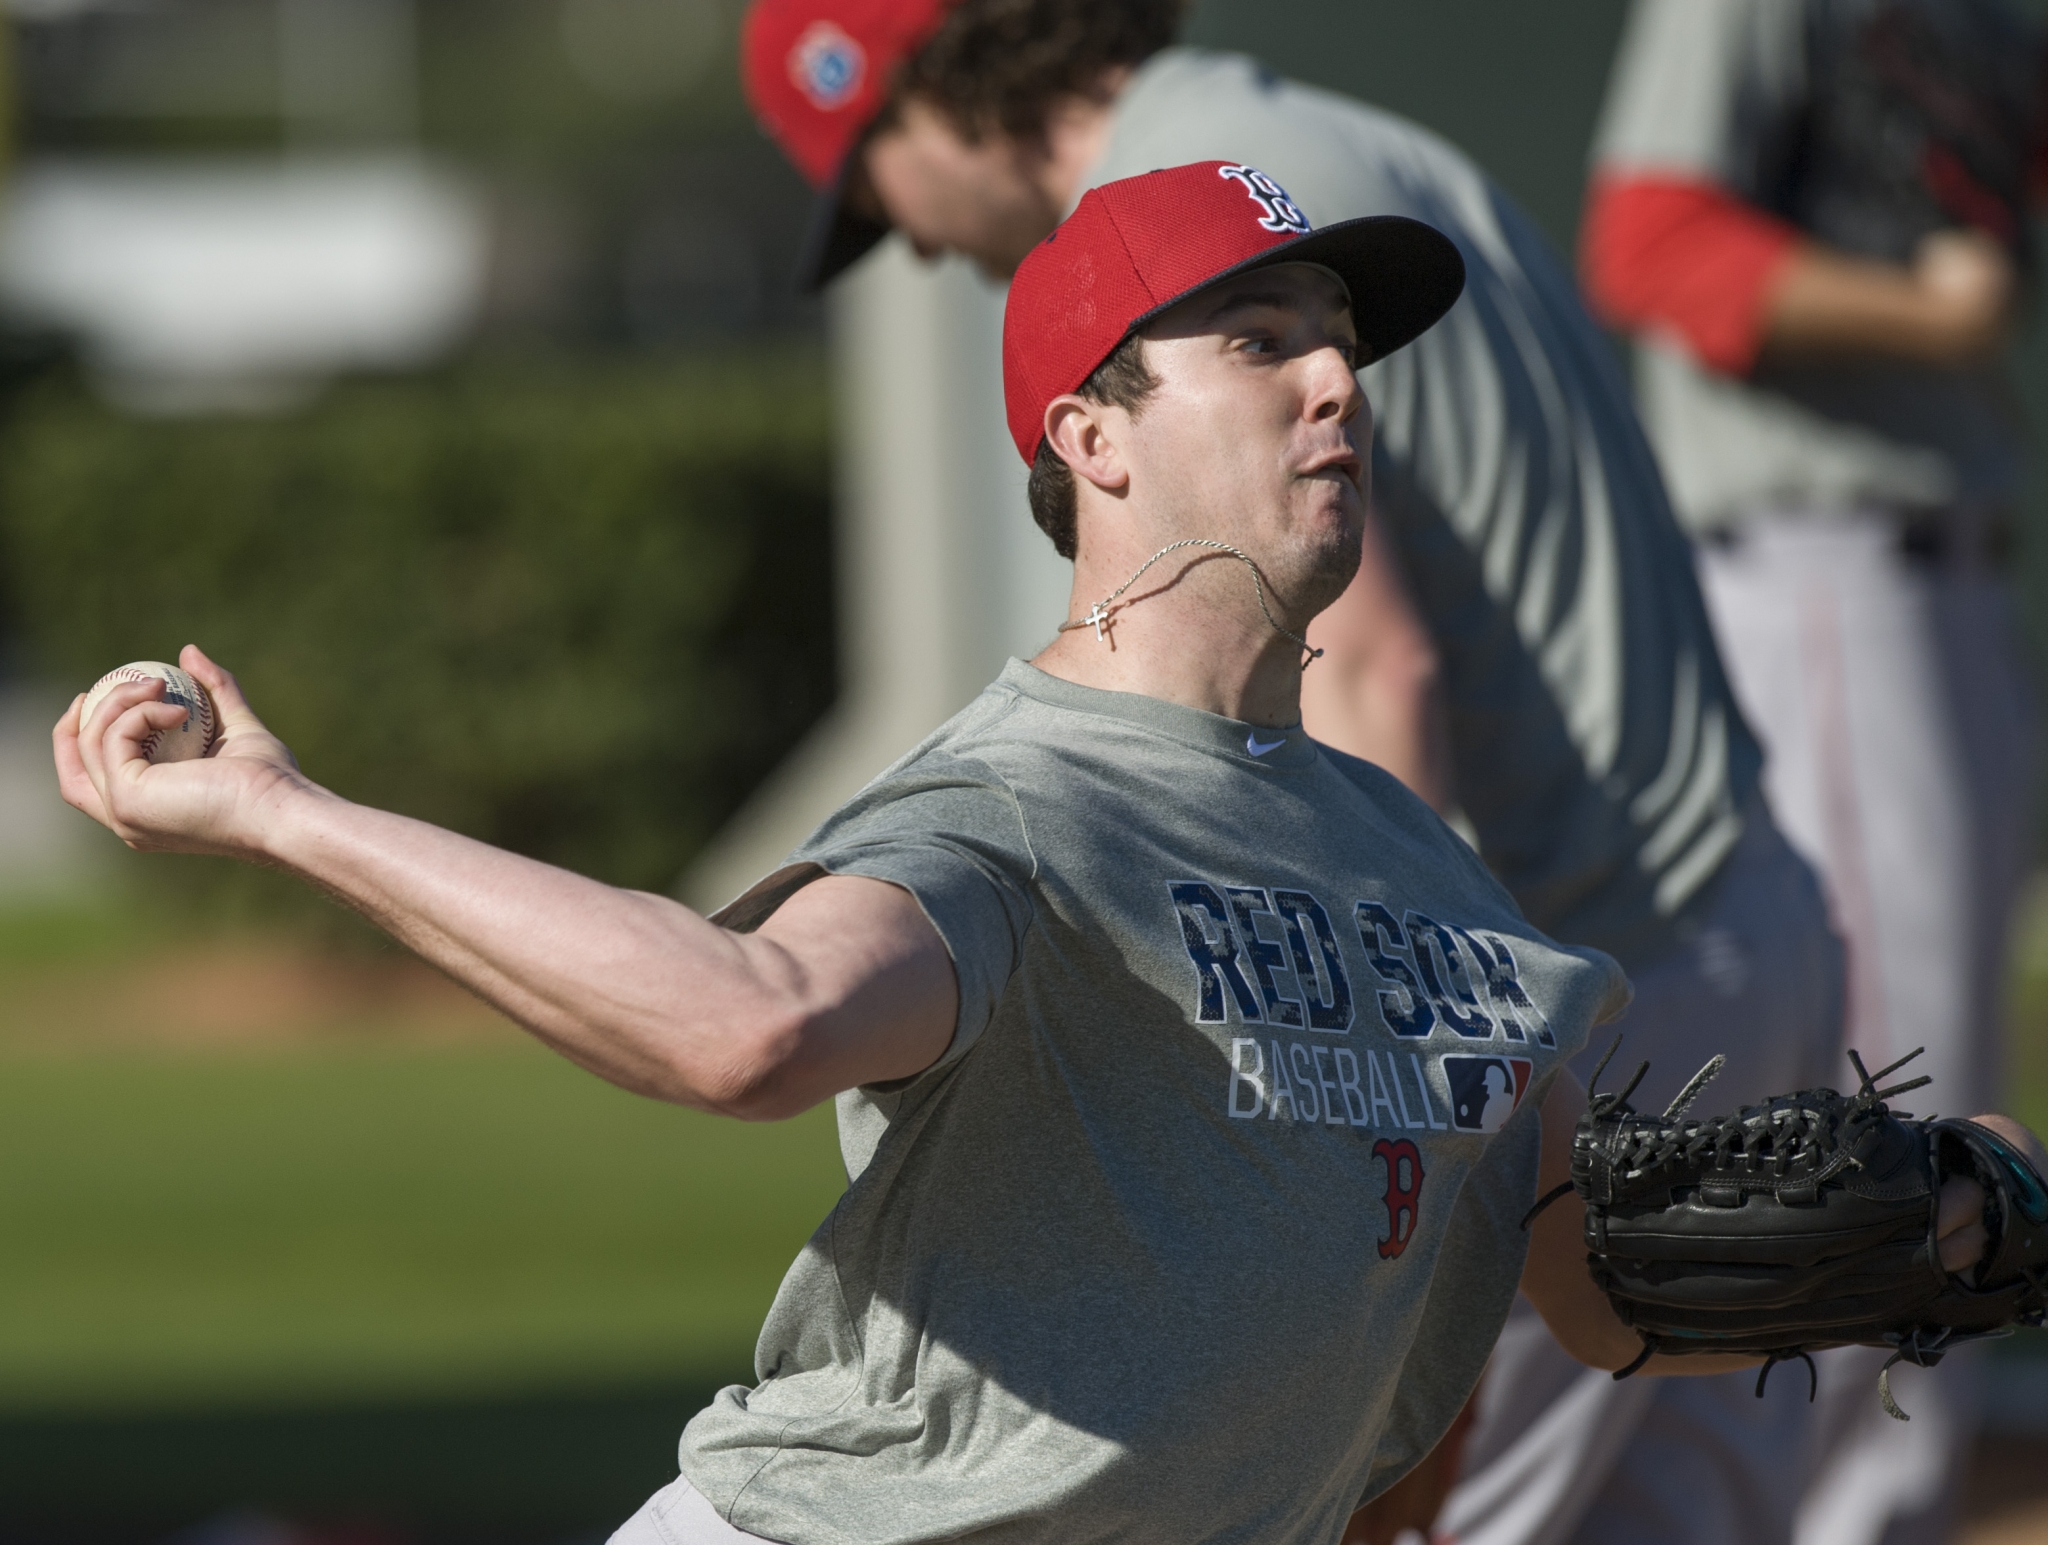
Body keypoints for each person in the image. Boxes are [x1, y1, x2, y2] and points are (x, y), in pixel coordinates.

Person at [57, 161, 1891, 1545]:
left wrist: (1949, 1229)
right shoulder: (1021, 811)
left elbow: (1595, 1286)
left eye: (1341, 345)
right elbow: (749, 1024)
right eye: (1259, 344)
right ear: (1091, 438)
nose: (1336, 382)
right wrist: (285, 813)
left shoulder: (1426, 870)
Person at [741, 3, 1848, 1541]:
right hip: (1729, 903)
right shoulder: (1340, 152)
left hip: (1541, 1000)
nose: (919, 251)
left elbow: (1380, 668)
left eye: (878, 199)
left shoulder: (1194, 207)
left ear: (927, 98)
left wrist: (1383, 1056)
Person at [1583, 5, 2043, 1541]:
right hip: (1827, 576)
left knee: (1927, 1095)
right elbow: (1644, 239)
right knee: (1878, 1118)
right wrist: (1929, 317)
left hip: (1936, 580)